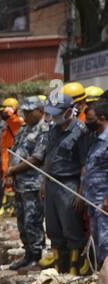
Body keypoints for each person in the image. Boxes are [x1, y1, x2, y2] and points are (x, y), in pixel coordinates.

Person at [42, 90, 93, 274]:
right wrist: (44, 182)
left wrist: (80, 191)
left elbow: (85, 164)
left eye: (56, 113)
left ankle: (73, 271)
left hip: (68, 185)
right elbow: (49, 157)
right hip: (51, 184)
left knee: (71, 227)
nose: (53, 117)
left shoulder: (81, 132)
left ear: (68, 111)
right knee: (53, 228)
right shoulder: (54, 130)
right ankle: (58, 270)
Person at [5, 96, 50, 271]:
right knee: (22, 221)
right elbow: (14, 151)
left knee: (33, 221)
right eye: (25, 111)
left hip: (33, 184)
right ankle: (27, 254)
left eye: (30, 112)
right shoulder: (24, 129)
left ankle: (36, 256)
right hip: (19, 183)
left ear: (40, 111)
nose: (26, 114)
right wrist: (10, 172)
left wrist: (13, 171)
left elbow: (37, 158)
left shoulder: (44, 130)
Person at [79, 102, 108, 268]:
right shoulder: (96, 139)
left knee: (106, 244)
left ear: (102, 118)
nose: (86, 122)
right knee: (97, 242)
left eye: (89, 119)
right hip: (93, 200)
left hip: (103, 202)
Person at [0, 99, 24, 217]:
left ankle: (10, 208)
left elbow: (10, 117)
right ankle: (8, 207)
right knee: (7, 182)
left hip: (11, 155)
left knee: (9, 181)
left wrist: (8, 111)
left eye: (6, 109)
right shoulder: (9, 123)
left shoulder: (16, 121)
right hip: (6, 154)